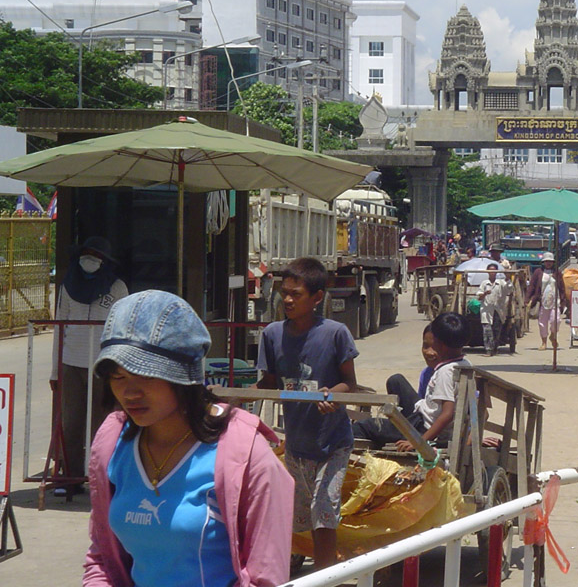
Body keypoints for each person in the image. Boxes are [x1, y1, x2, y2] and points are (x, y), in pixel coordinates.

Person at [85, 290, 293, 587]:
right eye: (117, 377)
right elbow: (102, 557)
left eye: (145, 375)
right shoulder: (112, 442)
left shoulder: (246, 456)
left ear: (183, 377)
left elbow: (265, 578)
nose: (129, 392)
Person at [257, 257, 358, 569]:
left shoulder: (335, 333)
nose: (287, 300)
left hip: (332, 443)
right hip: (297, 446)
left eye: (295, 294)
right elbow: (268, 384)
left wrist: (334, 395)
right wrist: (232, 403)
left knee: (323, 510)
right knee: (296, 517)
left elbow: (350, 385)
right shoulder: (272, 335)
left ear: (317, 297)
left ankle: (324, 577)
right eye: (284, 292)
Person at [50, 236, 129, 496]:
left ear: (105, 261)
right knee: (70, 424)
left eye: (95, 255)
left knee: (102, 424)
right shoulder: (68, 287)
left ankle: (100, 478)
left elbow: (123, 330)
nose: (90, 259)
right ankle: (70, 477)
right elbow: (59, 328)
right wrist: (55, 370)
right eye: (86, 253)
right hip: (70, 363)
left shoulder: (117, 288)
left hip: (102, 366)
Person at [353, 312, 470, 450]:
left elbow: (447, 414)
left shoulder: (445, 372)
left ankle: (389, 438)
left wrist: (419, 441)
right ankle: (397, 429)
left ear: (439, 343)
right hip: (421, 415)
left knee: (365, 426)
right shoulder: (465, 364)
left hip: (422, 428)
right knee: (396, 381)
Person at [527, 252, 565, 351]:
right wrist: (528, 299)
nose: (548, 263)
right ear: (543, 262)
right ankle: (544, 342)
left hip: (555, 301)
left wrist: (564, 301)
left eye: (550, 262)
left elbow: (562, 288)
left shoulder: (557, 272)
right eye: (546, 261)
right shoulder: (538, 272)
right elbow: (532, 286)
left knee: (555, 321)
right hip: (543, 301)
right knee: (542, 322)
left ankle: (553, 335)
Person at [477, 263, 510, 356]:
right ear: (488, 272)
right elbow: (479, 297)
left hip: (498, 310)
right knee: (487, 331)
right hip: (486, 310)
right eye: (490, 270)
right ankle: (488, 350)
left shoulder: (501, 283)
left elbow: (509, 289)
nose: (492, 273)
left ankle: (494, 348)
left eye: (494, 271)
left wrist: (508, 279)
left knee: (496, 330)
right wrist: (484, 293)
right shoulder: (484, 283)